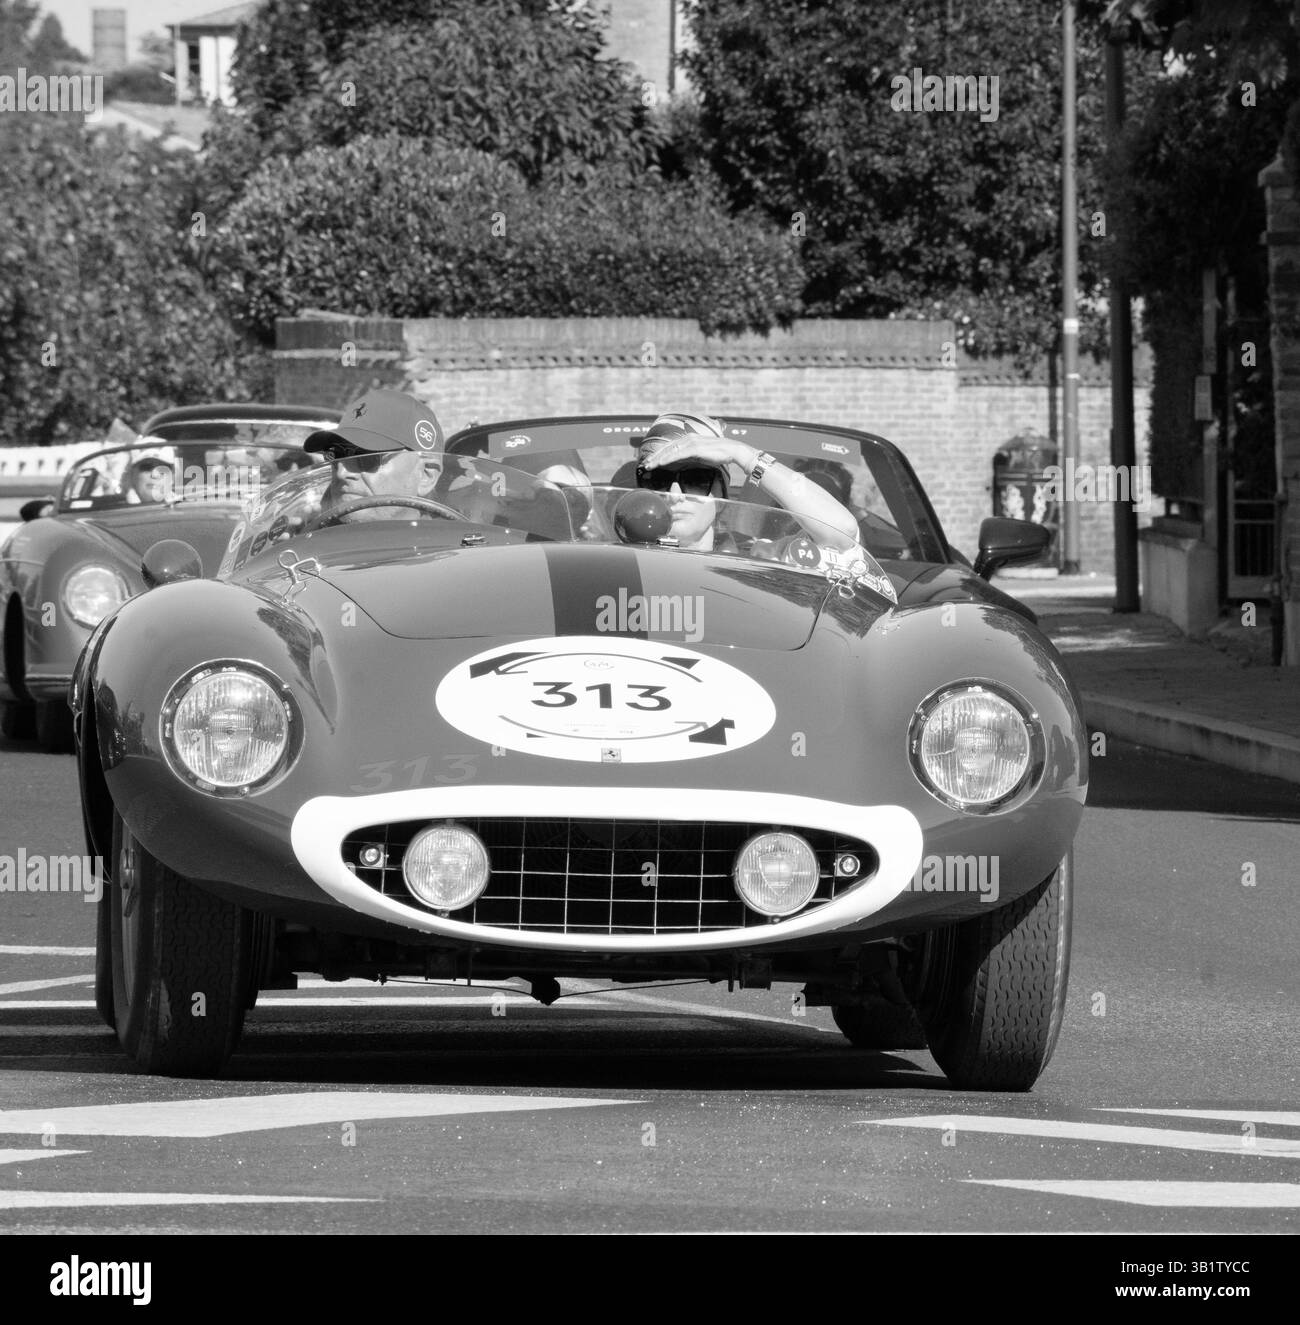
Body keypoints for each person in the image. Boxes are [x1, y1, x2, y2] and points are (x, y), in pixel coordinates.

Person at [634, 412, 860, 554]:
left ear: (721, 495)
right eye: (658, 480)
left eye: (696, 479)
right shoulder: (610, 558)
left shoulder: (759, 561)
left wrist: (744, 455)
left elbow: (842, 533)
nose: (674, 494)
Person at [301, 388, 446, 524]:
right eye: (336, 456)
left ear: (426, 475)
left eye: (366, 457)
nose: (341, 473)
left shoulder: (456, 547)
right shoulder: (312, 541)